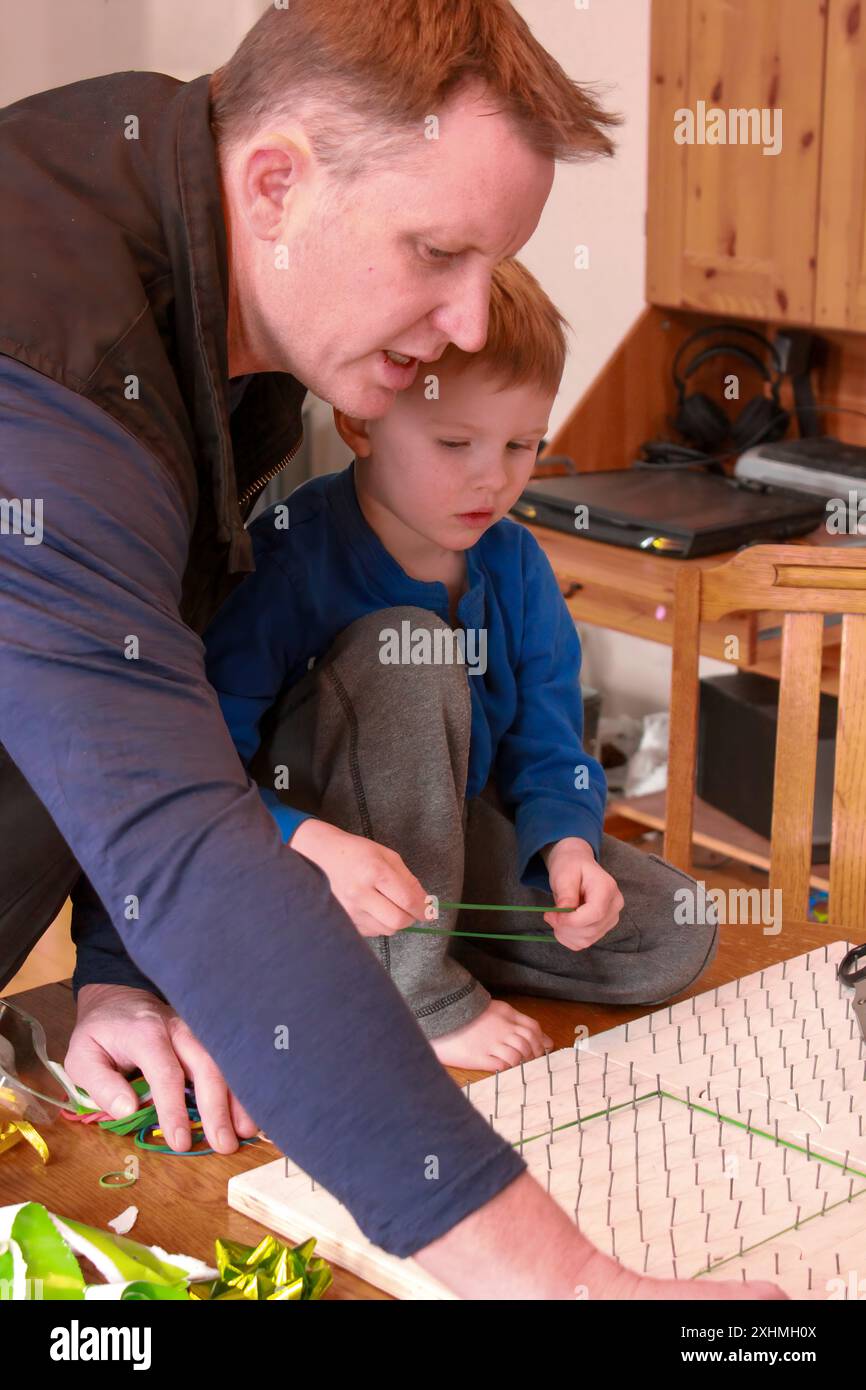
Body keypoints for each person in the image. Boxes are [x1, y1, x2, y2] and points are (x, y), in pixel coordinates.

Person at [0, 0, 782, 1299]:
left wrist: (114, 981)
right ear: (276, 182)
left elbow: (141, 698)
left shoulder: (200, 248)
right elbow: (185, 828)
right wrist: (573, 1283)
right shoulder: (54, 380)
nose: (470, 328)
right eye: (436, 251)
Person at [174, 258, 717, 1074]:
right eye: (455, 443)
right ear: (361, 422)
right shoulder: (288, 557)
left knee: (674, 927)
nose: (492, 478)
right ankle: (416, 994)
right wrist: (314, 842)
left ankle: (418, 950)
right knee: (411, 645)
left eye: (522, 446)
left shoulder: (519, 561)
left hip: (448, 849)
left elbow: (550, 740)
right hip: (311, 868)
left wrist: (569, 847)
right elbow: (201, 774)